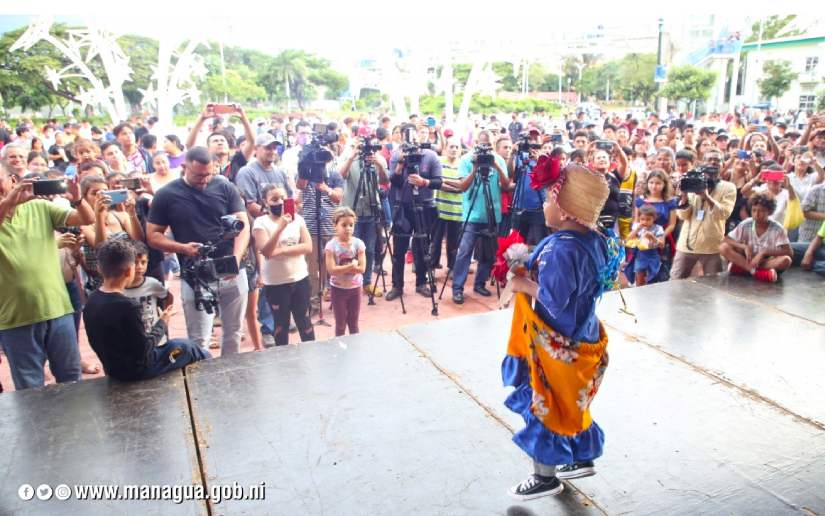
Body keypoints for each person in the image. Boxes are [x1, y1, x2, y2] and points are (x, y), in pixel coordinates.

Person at [506, 161, 613, 500]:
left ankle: (544, 476)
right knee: (572, 403)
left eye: (548, 199)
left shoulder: (560, 248)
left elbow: (554, 302)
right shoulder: (594, 240)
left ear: (566, 211)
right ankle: (582, 456)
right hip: (585, 335)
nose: (543, 205)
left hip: (559, 343)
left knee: (547, 405)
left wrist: (524, 284)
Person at [146, 147, 250, 355]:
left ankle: (233, 378)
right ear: (184, 167)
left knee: (234, 331)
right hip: (195, 274)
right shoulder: (166, 194)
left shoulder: (224, 186)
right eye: (198, 175)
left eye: (208, 174)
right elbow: (153, 235)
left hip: (231, 270)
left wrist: (236, 260)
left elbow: (242, 224)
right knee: (199, 337)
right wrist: (182, 248)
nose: (204, 180)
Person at [0, 164, 95, 390]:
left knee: (71, 378)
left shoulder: (40, 206)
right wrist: (10, 201)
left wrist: (78, 198)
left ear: (13, 180)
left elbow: (86, 218)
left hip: (57, 308)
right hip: (15, 317)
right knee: (30, 386)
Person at [83, 239, 209, 381]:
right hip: (139, 370)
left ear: (100, 268)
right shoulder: (128, 306)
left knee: (180, 346)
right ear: (129, 271)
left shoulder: (91, 300)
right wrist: (162, 322)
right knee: (188, 347)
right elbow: (144, 350)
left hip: (113, 369)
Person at [447, 143, 510, 304]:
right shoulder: (467, 160)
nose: (485, 149)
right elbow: (463, 187)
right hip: (472, 214)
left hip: (492, 213)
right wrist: (475, 169)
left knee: (488, 253)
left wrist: (495, 165)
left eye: (489, 145)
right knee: (465, 251)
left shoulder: (498, 160)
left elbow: (506, 185)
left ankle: (480, 284)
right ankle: (457, 289)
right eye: (483, 145)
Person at [386, 123, 443, 301]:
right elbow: (393, 181)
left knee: (422, 248)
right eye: (408, 136)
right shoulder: (397, 155)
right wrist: (400, 166)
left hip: (424, 206)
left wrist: (423, 182)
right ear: (402, 138)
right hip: (403, 207)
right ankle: (397, 286)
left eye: (416, 134)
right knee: (399, 249)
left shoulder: (431, 155)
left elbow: (439, 182)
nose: (413, 139)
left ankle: (421, 282)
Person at [253, 185, 315, 346]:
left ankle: (313, 353)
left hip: (300, 277)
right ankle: (282, 360)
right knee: (281, 324)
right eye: (274, 199)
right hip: (276, 283)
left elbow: (308, 247)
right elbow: (267, 251)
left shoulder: (298, 220)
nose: (279, 202)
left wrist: (281, 250)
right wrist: (280, 227)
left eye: (282, 197)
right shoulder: (260, 223)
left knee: (304, 320)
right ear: (265, 202)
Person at [338, 137, 389, 297]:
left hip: (372, 211)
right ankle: (349, 283)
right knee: (349, 250)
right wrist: (353, 155)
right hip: (352, 214)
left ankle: (367, 283)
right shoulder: (349, 157)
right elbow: (341, 175)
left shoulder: (378, 159)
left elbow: (385, 181)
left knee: (369, 250)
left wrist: (379, 165)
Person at [671, 164, 737, 279]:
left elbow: (724, 214)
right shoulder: (691, 181)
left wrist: (706, 196)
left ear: (721, 166)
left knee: (713, 285)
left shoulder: (728, 187)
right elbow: (682, 216)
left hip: (712, 246)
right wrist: (684, 196)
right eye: (709, 162)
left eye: (715, 161)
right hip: (686, 244)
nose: (709, 173)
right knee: (675, 280)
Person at [720, 192, 792, 283]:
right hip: (747, 259)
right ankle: (755, 272)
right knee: (723, 247)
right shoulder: (746, 224)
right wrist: (744, 247)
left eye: (761, 211)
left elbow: (789, 252)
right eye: (754, 210)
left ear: (769, 212)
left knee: (786, 260)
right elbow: (726, 239)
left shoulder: (777, 228)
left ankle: (742, 268)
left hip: (765, 262)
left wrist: (764, 253)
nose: (756, 214)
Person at [325, 207, 366, 336]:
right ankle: (339, 348)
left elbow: (362, 268)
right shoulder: (331, 246)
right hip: (338, 289)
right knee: (340, 324)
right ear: (335, 226)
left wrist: (342, 269)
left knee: (353, 323)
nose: (348, 228)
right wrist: (350, 266)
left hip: (355, 288)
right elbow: (331, 270)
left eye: (351, 225)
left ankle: (355, 348)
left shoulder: (358, 244)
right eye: (344, 225)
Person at [123, 240, 172, 346]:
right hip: (132, 341)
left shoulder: (152, 284)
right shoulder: (120, 289)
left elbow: (168, 296)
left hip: (156, 338)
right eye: (135, 262)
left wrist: (165, 315)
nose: (139, 267)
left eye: (143, 262)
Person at [430, 137, 464, 269]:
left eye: (457, 147)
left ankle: (452, 267)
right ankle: (432, 266)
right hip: (439, 208)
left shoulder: (463, 164)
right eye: (451, 146)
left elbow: (465, 185)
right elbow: (438, 183)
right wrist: (457, 187)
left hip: (457, 210)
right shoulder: (439, 162)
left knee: (454, 242)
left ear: (460, 150)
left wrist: (446, 183)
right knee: (435, 241)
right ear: (445, 149)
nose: (454, 149)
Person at [627, 204, 665, 286]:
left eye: (648, 219)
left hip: (652, 256)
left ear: (654, 219)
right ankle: (639, 294)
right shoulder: (637, 226)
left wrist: (653, 237)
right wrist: (637, 230)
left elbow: (662, 245)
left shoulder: (658, 228)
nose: (644, 222)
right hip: (640, 255)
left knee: (652, 279)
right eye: (642, 219)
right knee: (639, 279)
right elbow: (628, 239)